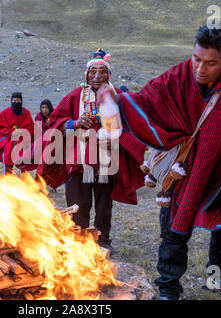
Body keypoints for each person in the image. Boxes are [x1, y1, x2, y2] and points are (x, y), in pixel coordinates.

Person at [111, 24, 221, 299]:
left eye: (211, 63)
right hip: (181, 169)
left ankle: (220, 277)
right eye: (196, 59)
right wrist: (119, 102)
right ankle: (169, 287)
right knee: (173, 230)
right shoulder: (179, 75)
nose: (200, 69)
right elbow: (147, 99)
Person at [37, 49, 146, 255]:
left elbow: (134, 120)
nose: (97, 77)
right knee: (79, 203)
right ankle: (78, 240)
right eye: (93, 72)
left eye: (102, 72)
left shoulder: (118, 97)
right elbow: (55, 122)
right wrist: (74, 123)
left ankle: (103, 240)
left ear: (109, 75)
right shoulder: (75, 96)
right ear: (86, 75)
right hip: (79, 161)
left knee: (104, 203)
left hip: (106, 160)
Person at [0, 92, 36, 175]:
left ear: (21, 102)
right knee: (8, 165)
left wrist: (22, 131)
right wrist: (12, 132)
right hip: (9, 143)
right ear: (11, 101)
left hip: (23, 144)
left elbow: (31, 129)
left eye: (18, 101)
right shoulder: (4, 113)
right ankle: (8, 184)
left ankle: (26, 184)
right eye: (14, 101)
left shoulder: (26, 113)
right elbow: (1, 129)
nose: (16, 103)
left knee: (24, 167)